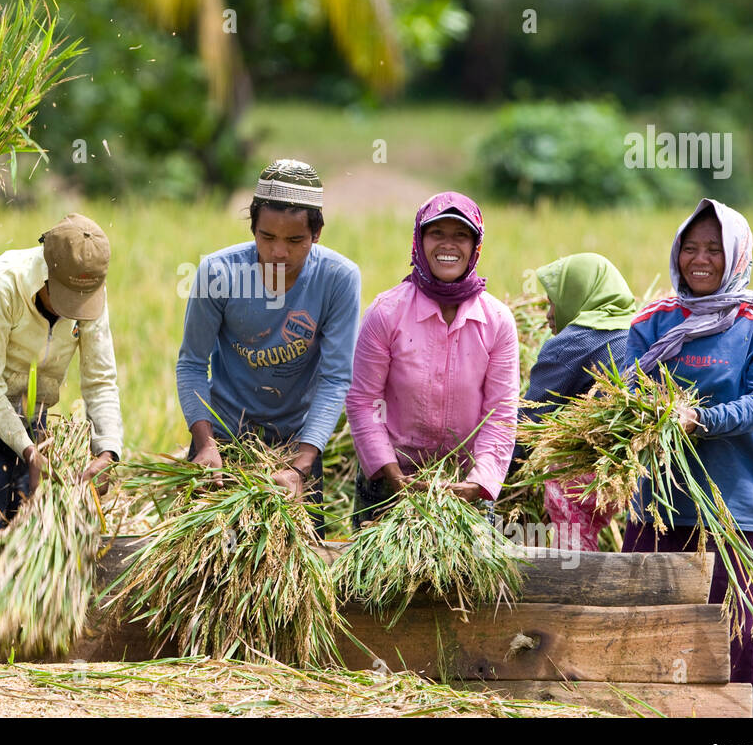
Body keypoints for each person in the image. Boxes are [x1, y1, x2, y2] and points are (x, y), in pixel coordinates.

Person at [623, 198, 753, 718]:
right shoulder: (653, 322)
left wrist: (701, 419)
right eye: (690, 248)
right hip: (659, 506)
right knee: (641, 632)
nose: (701, 259)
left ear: (736, 256)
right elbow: (626, 391)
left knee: (740, 640)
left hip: (734, 511)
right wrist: (643, 408)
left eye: (714, 250)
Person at [176, 159, 361, 530]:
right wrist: (206, 444)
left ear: (317, 232)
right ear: (252, 228)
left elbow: (335, 377)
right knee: (205, 563)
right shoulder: (219, 273)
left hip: (297, 441)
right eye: (267, 238)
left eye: (295, 241)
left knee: (302, 566)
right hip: (223, 436)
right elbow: (193, 364)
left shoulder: (338, 279)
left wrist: (301, 464)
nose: (279, 253)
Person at [0, 214, 123, 530]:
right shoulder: (2, 285)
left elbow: (100, 380)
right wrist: (29, 453)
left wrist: (107, 451)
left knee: (30, 543)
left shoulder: (88, 293)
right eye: (66, 299)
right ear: (47, 275)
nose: (73, 311)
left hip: (33, 425)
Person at [346, 192, 518, 529]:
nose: (448, 245)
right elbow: (363, 401)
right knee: (377, 580)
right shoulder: (386, 313)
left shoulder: (497, 321)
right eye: (437, 233)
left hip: (463, 485)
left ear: (476, 246)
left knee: (469, 581)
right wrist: (391, 473)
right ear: (419, 240)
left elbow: (500, 412)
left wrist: (477, 482)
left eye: (461, 235)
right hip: (389, 480)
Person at [517, 253, 636, 550]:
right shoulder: (637, 332)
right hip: (635, 474)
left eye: (553, 302)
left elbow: (529, 421)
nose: (548, 316)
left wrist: (490, 481)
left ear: (577, 294)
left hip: (589, 477)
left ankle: (575, 580)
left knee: (573, 552)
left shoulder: (574, 342)